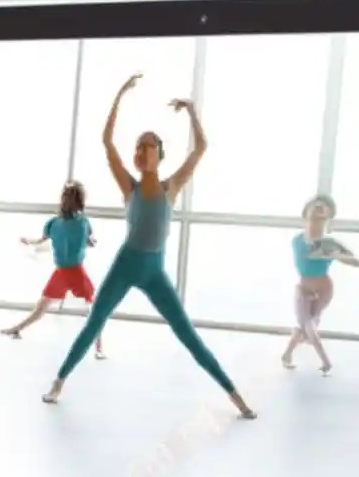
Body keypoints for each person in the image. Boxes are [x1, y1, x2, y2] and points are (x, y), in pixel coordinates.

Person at [42, 73, 255, 419]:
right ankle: (58, 381)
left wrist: (191, 112)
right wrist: (120, 94)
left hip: (155, 271)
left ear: (160, 154)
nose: (140, 151)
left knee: (188, 335)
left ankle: (236, 398)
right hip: (126, 264)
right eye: (137, 147)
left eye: (147, 146)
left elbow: (201, 148)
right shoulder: (130, 187)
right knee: (94, 322)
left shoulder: (173, 186)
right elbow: (107, 142)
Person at [1, 181, 105, 359]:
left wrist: (90, 242)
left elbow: (85, 241)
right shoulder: (61, 223)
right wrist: (30, 241)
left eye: (70, 198)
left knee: (91, 309)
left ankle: (99, 348)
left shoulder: (75, 223)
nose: (67, 201)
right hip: (64, 272)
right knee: (44, 306)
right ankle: (16, 329)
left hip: (74, 271)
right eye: (67, 197)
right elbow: (44, 240)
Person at [280, 195, 359, 374]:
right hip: (303, 288)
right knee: (307, 325)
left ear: (328, 216)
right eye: (315, 206)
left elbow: (358, 262)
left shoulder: (330, 244)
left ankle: (289, 355)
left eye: (323, 208)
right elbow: (307, 255)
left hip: (324, 288)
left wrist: (337, 255)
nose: (318, 208)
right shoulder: (297, 240)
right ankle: (324, 361)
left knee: (308, 325)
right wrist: (323, 252)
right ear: (305, 213)